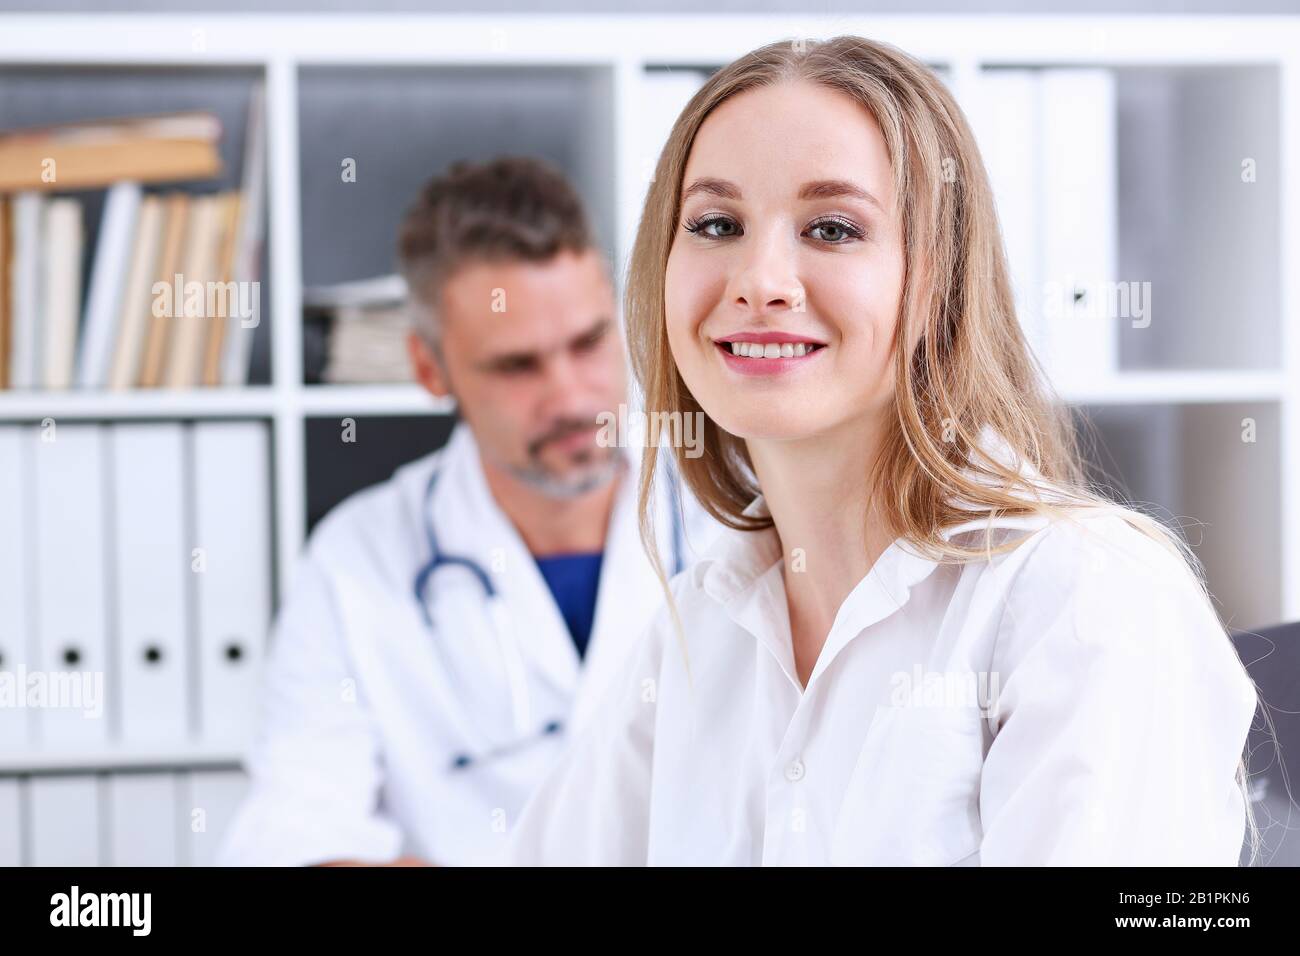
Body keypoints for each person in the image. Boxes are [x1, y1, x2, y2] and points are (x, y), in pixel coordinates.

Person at [497, 37, 1261, 866]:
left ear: (938, 285)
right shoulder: (701, 629)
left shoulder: (1084, 599)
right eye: (717, 224)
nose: (761, 279)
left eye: (832, 228)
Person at [218, 156, 716, 866]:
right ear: (429, 367)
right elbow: (297, 836)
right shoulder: (360, 558)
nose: (573, 399)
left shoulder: (735, 516)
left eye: (588, 342)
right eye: (518, 366)